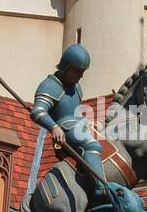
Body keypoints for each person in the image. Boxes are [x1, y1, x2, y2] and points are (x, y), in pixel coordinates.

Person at [31, 44, 106, 197]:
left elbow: (76, 113)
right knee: (92, 145)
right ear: (67, 67)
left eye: (83, 72)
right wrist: (54, 127)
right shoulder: (50, 86)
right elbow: (37, 111)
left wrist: (89, 123)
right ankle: (101, 188)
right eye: (78, 71)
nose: (81, 76)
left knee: (109, 140)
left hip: (78, 126)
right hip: (65, 130)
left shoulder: (76, 88)